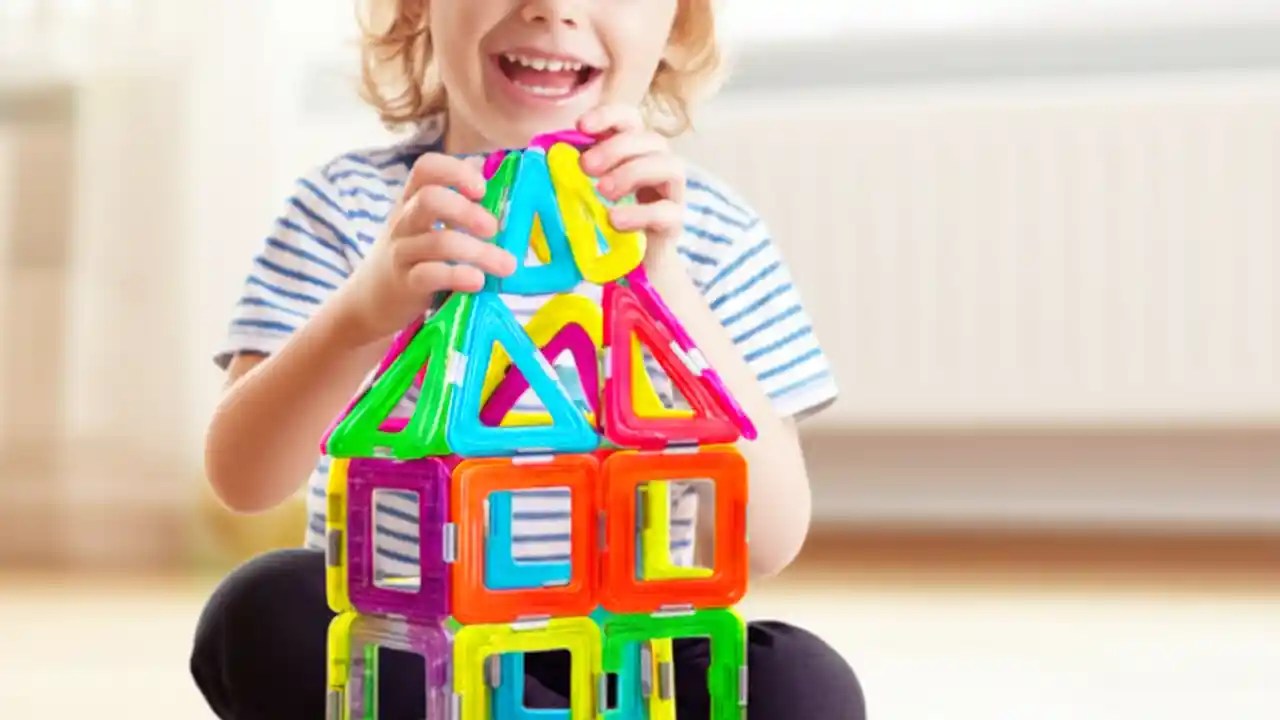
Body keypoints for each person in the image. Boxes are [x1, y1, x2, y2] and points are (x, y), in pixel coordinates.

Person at [190, 0, 866, 718]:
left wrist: (664, 284)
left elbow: (770, 540)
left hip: (634, 665)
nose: (553, 9)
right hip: (413, 652)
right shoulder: (350, 210)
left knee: (805, 683)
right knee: (260, 610)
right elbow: (244, 479)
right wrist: (363, 312)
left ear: (677, 22)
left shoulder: (708, 234)